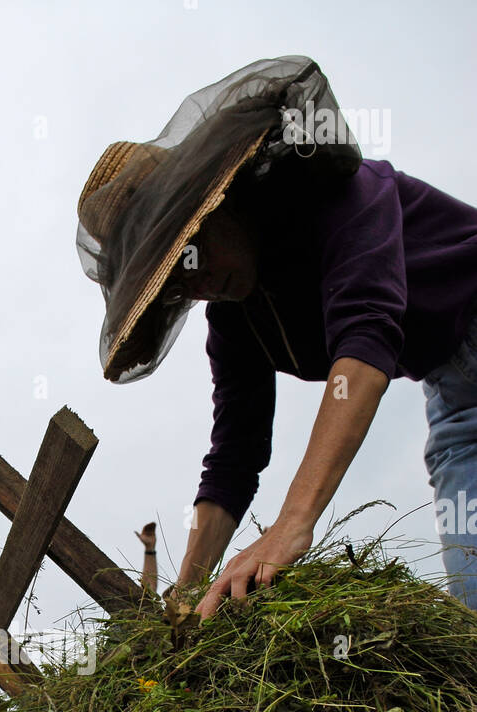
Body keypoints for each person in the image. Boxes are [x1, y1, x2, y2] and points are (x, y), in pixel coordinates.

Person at [76, 57, 477, 618]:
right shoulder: (234, 318)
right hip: (458, 403)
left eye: (193, 244)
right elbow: (234, 458)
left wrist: (291, 525)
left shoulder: (336, 195)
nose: (197, 278)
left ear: (220, 200)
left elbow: (366, 341)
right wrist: (188, 594)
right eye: (175, 276)